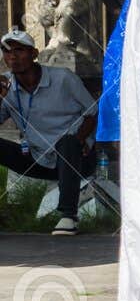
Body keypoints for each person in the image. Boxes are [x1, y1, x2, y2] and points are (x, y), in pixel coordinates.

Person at [0, 29, 96, 236]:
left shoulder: (63, 78)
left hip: (76, 158)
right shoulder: (5, 85)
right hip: (37, 158)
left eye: (19, 50)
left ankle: (68, 217)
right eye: (7, 52)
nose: (13, 56)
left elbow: (93, 113)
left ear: (34, 53)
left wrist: (80, 140)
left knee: (67, 143)